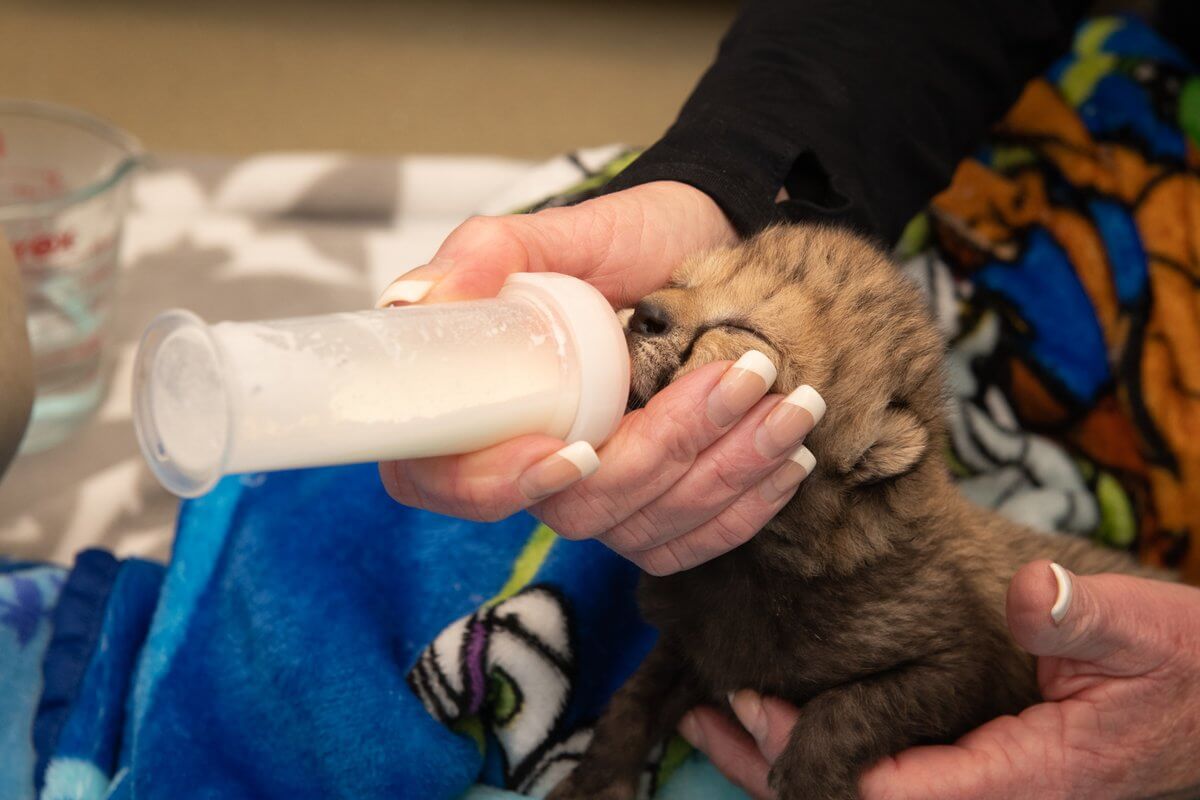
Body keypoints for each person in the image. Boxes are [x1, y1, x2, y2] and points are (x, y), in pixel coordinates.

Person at [376, 0, 1200, 795]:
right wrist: (718, 183)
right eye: (691, 284)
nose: (659, 308)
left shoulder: (893, 579)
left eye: (741, 339)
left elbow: (945, 655)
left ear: (870, 459)